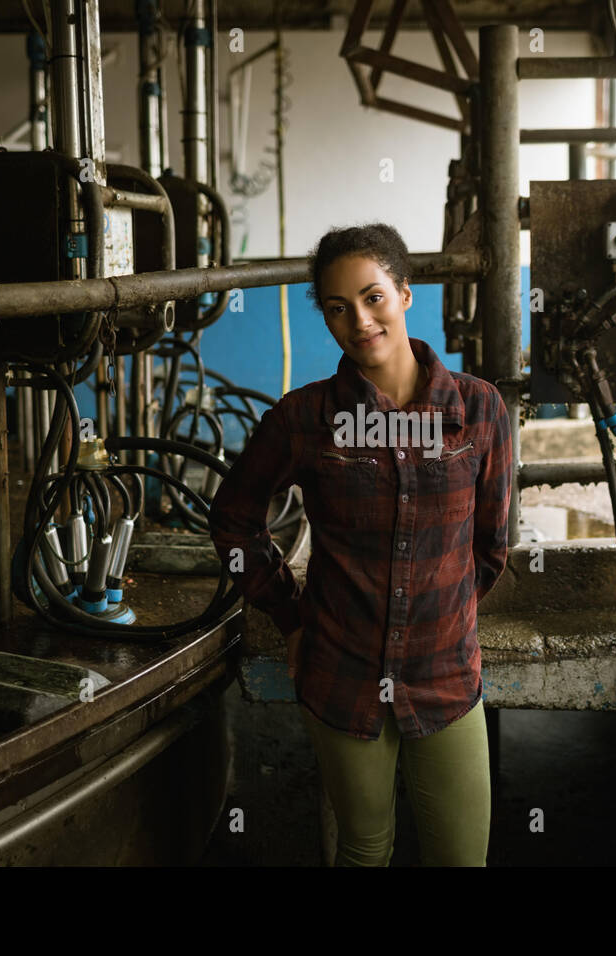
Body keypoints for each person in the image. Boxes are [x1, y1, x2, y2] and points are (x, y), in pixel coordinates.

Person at [207, 222, 512, 866]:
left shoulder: (479, 410)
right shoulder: (304, 418)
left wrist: (443, 613)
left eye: (373, 297)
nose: (360, 320)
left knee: (461, 858)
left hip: (446, 675)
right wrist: (290, 617)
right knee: (365, 852)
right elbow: (233, 519)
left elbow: (491, 544)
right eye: (338, 308)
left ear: (405, 294)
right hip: (342, 674)